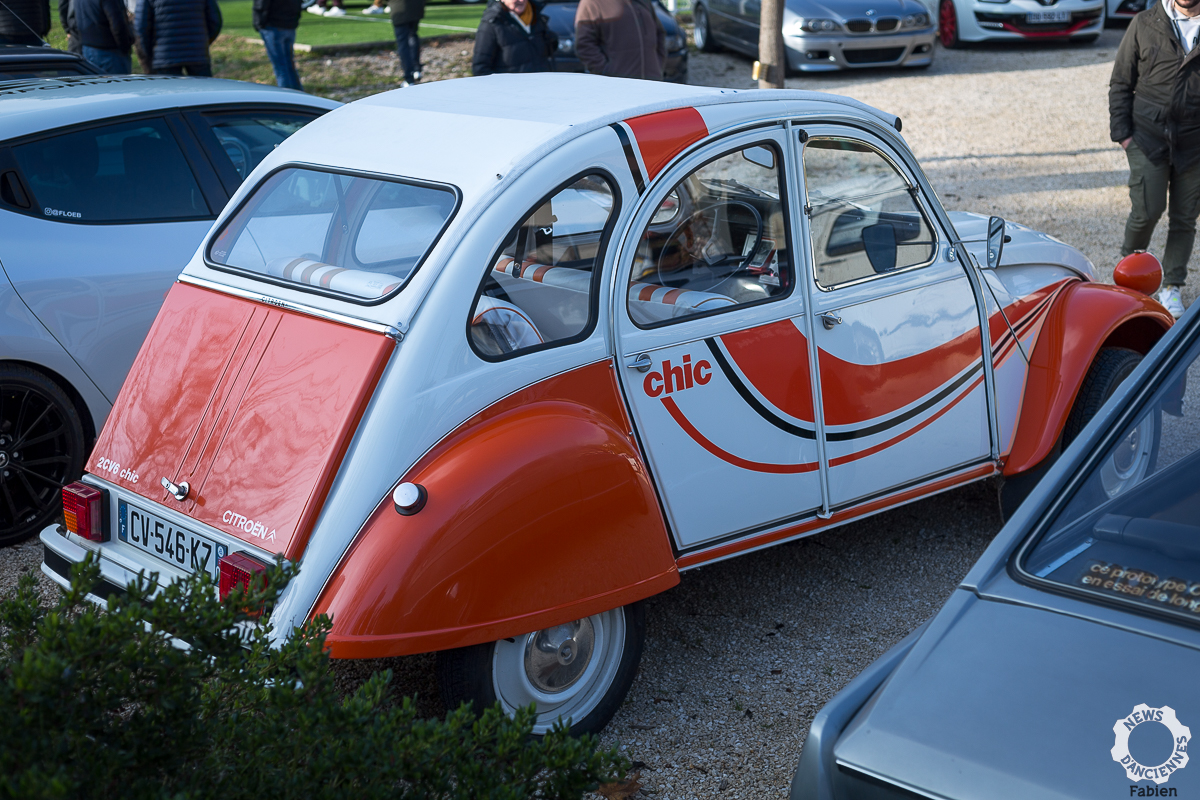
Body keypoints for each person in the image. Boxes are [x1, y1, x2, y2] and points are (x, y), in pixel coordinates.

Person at [1110, 0, 1200, 319]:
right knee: (1147, 209)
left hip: (1194, 144)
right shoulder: (1145, 23)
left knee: (1185, 217)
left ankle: (1172, 286)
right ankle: (1129, 276)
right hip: (1147, 137)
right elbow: (1121, 81)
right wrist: (1123, 135)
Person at [574, 0, 663, 80]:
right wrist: (606, 72)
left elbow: (660, 33)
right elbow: (584, 45)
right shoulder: (592, 3)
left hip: (652, 84)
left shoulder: (643, 2)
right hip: (617, 88)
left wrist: (658, 66)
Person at [135, 0, 222, 75]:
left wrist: (150, 52)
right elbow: (215, 21)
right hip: (197, 53)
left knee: (170, 92)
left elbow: (141, 27)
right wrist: (203, 43)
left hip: (165, 54)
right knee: (202, 92)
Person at [472, 0, 556, 75]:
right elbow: (480, 68)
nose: (521, 0)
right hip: (511, 90)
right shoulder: (492, 22)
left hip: (540, 86)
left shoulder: (537, 17)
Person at [253, 0, 302, 90]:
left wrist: (258, 22)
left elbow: (261, 4)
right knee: (289, 64)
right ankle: (299, 95)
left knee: (281, 67)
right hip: (289, 24)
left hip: (273, 25)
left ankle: (288, 97)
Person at [76, 0, 134, 73]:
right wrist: (125, 46)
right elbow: (117, 24)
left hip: (87, 48)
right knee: (117, 83)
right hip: (109, 52)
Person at [389, 0, 423, 86]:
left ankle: (409, 78)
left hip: (399, 8)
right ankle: (416, 69)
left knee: (403, 43)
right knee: (412, 36)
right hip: (416, 7)